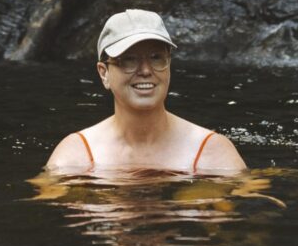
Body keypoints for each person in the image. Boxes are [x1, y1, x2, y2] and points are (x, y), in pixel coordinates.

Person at [44, 9, 246, 175]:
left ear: (169, 65)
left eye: (156, 58)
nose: (146, 71)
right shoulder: (75, 156)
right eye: (128, 60)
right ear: (104, 73)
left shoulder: (211, 152)